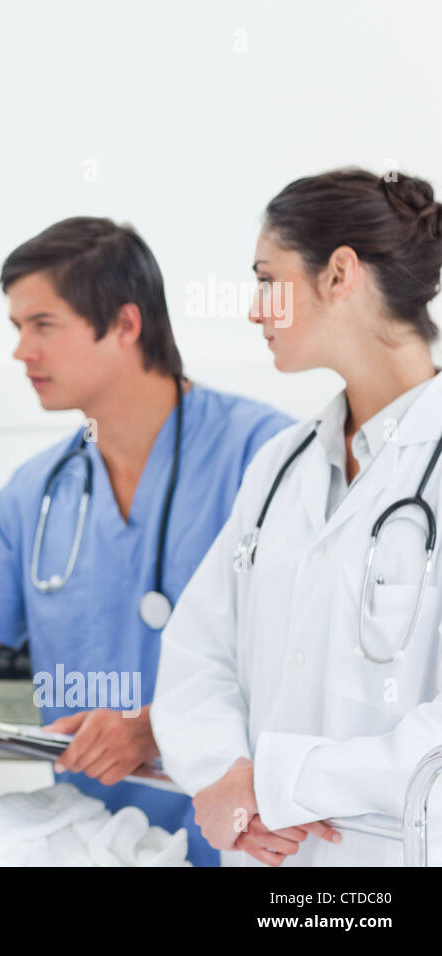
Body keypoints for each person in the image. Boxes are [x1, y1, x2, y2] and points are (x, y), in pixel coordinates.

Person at [0, 217, 292, 866]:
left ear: (125, 325)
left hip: (242, 841)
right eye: (17, 329)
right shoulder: (35, 496)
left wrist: (154, 727)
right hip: (91, 843)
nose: (22, 350)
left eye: (43, 325)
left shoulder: (269, 459)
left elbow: (314, 668)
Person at [152, 168, 442, 866]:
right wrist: (226, 777)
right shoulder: (282, 464)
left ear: (340, 273)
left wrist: (285, 782)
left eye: (266, 279)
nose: (255, 310)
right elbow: (199, 654)